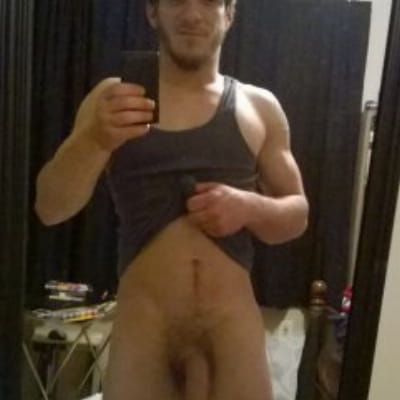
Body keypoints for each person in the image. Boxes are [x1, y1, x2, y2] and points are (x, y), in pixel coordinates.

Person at [34, 0, 309, 399]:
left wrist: (249, 207)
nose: (192, 14)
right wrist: (95, 138)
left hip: (232, 331)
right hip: (145, 330)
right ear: (152, 12)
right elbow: (50, 208)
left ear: (229, 13)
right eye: (177, 0)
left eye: (208, 1)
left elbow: (297, 214)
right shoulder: (113, 100)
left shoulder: (259, 106)